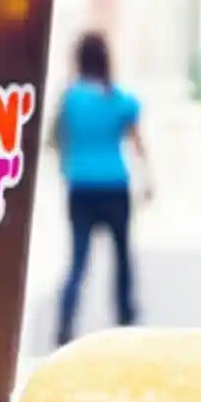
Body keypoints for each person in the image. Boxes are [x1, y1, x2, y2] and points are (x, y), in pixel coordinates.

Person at [51, 32, 150, 346]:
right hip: (114, 184)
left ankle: (65, 319)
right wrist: (149, 178)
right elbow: (137, 143)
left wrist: (68, 164)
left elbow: (55, 140)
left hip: (80, 185)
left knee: (78, 258)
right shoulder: (120, 99)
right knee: (121, 256)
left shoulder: (69, 99)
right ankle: (125, 316)